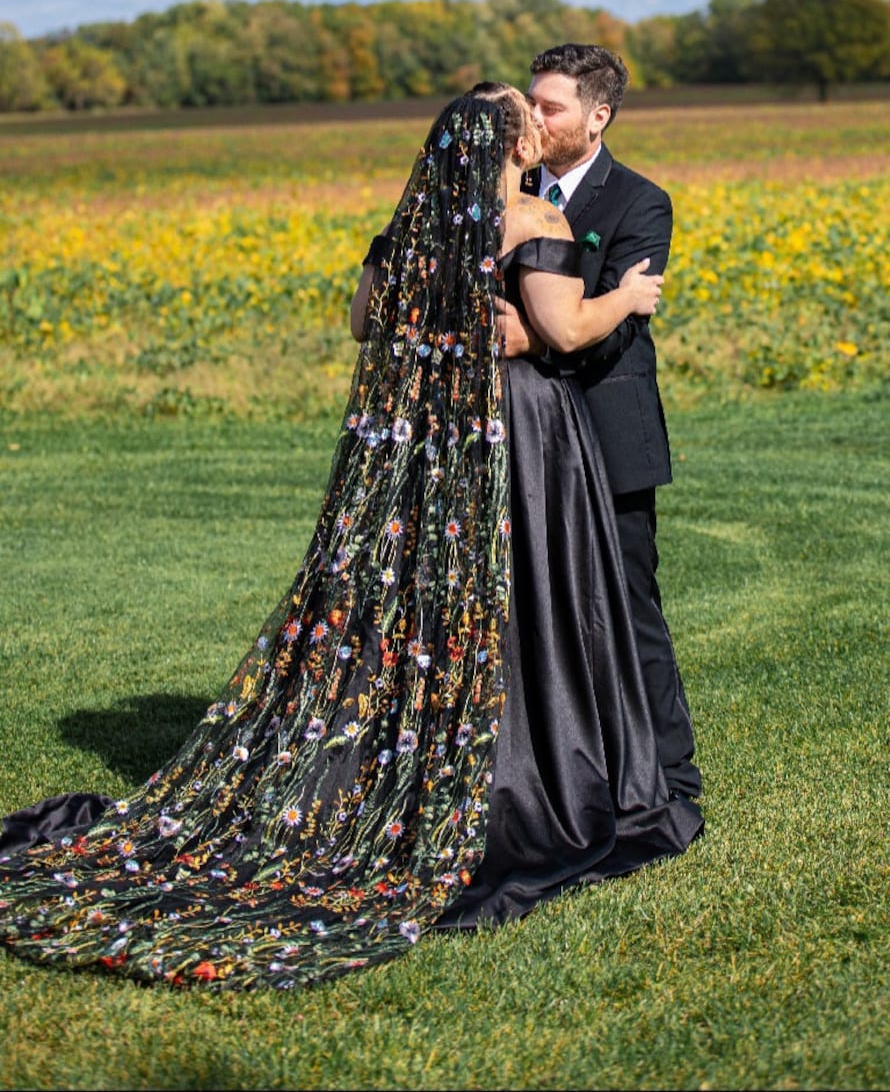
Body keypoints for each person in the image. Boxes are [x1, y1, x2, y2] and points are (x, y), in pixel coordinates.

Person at [0, 87, 700, 991]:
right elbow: (561, 327)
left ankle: (416, 744)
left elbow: (366, 320)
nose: (536, 123)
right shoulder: (528, 215)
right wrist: (622, 299)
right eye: (524, 116)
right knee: (532, 594)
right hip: (518, 431)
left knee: (429, 599)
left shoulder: (412, 225)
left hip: (429, 439)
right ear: (508, 141)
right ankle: (534, 765)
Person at [506, 44, 701, 804]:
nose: (535, 117)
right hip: (524, 435)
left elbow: (615, 325)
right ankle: (562, 773)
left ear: (598, 114)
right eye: (531, 101)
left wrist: (531, 332)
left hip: (607, 426)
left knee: (627, 604)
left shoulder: (640, 201)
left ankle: (672, 774)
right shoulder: (508, 191)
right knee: (535, 611)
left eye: (549, 105)